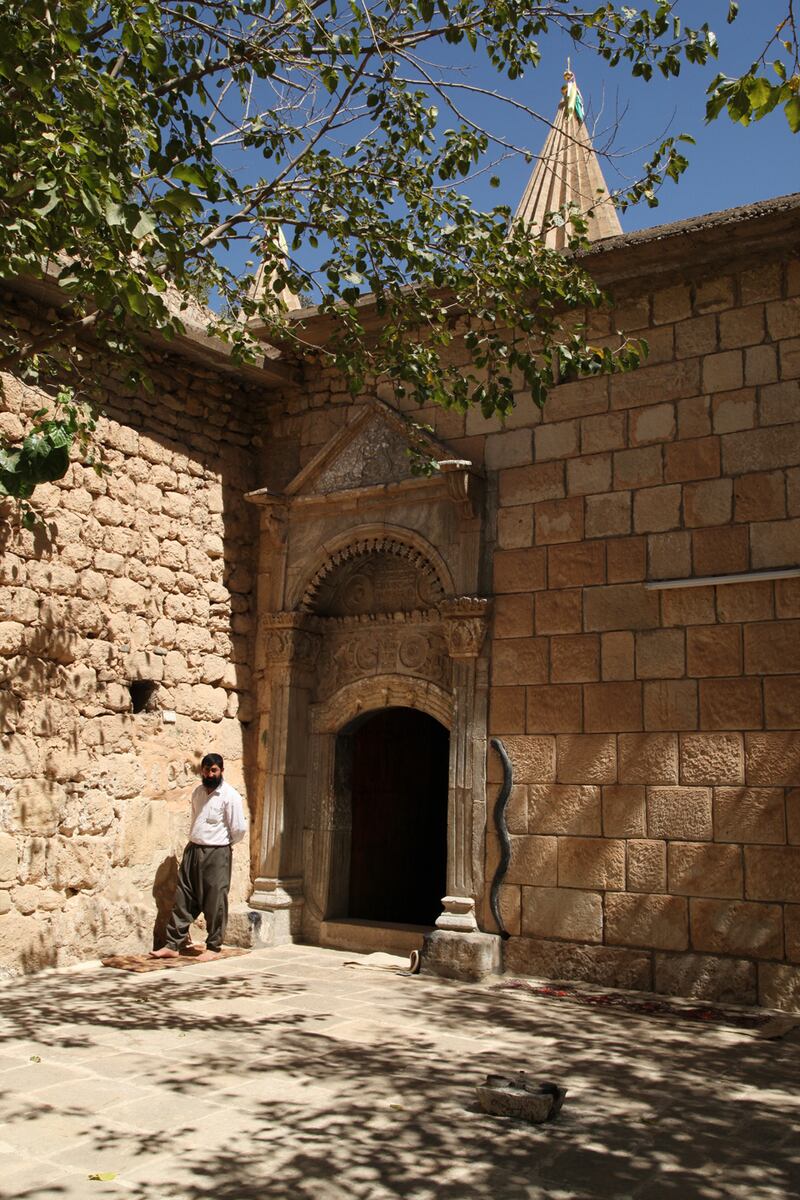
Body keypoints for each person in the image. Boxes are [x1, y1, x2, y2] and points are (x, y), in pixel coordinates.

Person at [150, 753, 247, 962]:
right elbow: (196, 818)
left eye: (214, 770)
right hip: (193, 850)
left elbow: (238, 829)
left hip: (217, 853)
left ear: (221, 771)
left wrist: (221, 846)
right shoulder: (198, 793)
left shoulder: (230, 796)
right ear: (201, 771)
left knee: (215, 899)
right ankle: (172, 944)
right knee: (183, 897)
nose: (209, 774)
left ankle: (213, 946)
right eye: (206, 770)